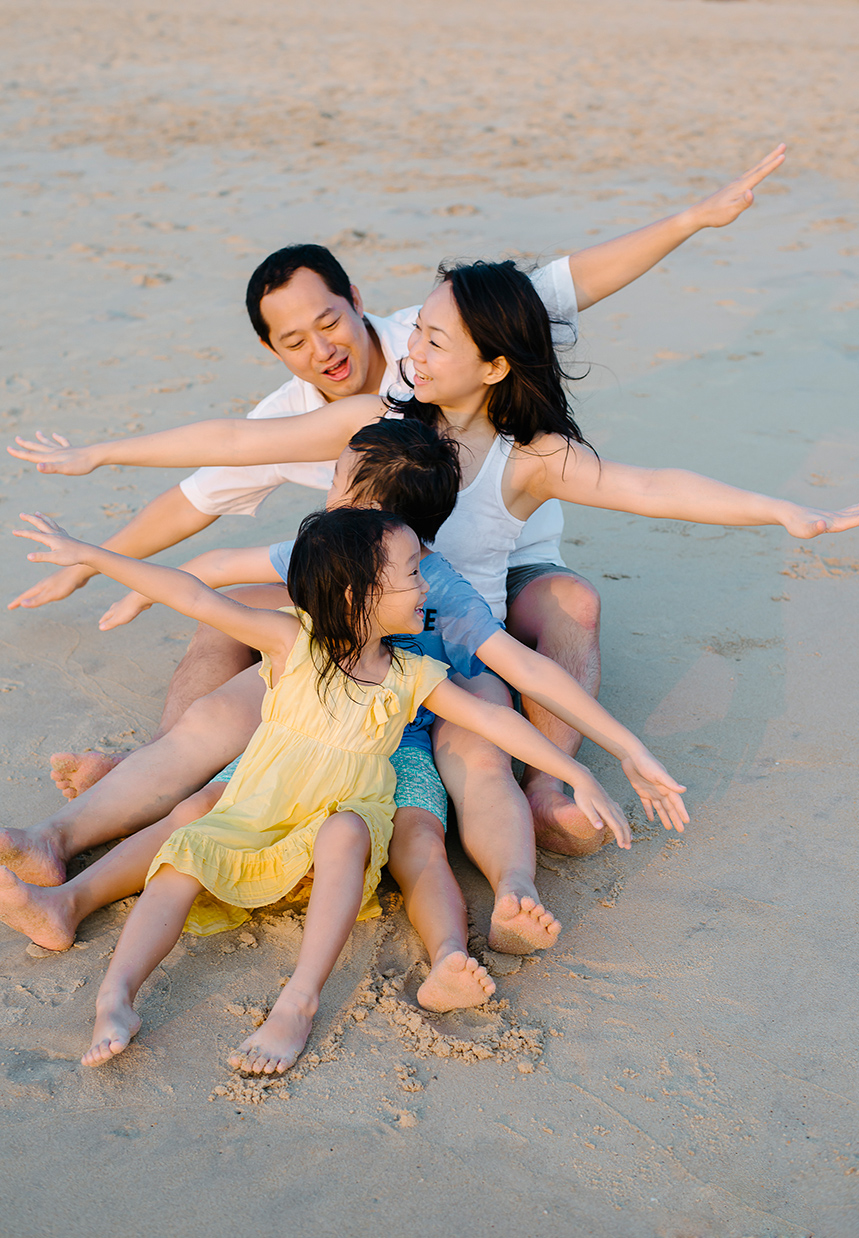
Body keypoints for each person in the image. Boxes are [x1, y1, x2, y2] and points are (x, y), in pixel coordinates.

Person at [7, 147, 788, 848]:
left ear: (354, 299)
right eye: (294, 342)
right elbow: (217, 464)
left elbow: (631, 441)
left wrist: (695, 217)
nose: (322, 350)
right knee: (228, 627)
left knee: (560, 616)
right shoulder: (363, 406)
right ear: (272, 350)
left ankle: (548, 788)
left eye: (328, 322)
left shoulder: (455, 336)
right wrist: (98, 517)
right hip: (378, 591)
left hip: (482, 588)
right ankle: (157, 769)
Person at [0, 422, 689, 1017]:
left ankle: (501, 901)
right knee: (203, 778)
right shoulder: (320, 565)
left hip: (404, 723)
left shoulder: (428, 595)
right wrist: (99, 567)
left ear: (379, 530)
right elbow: (204, 584)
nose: (326, 498)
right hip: (309, 708)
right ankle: (61, 864)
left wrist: (607, 752)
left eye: (339, 487)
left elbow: (517, 674)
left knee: (446, 800)